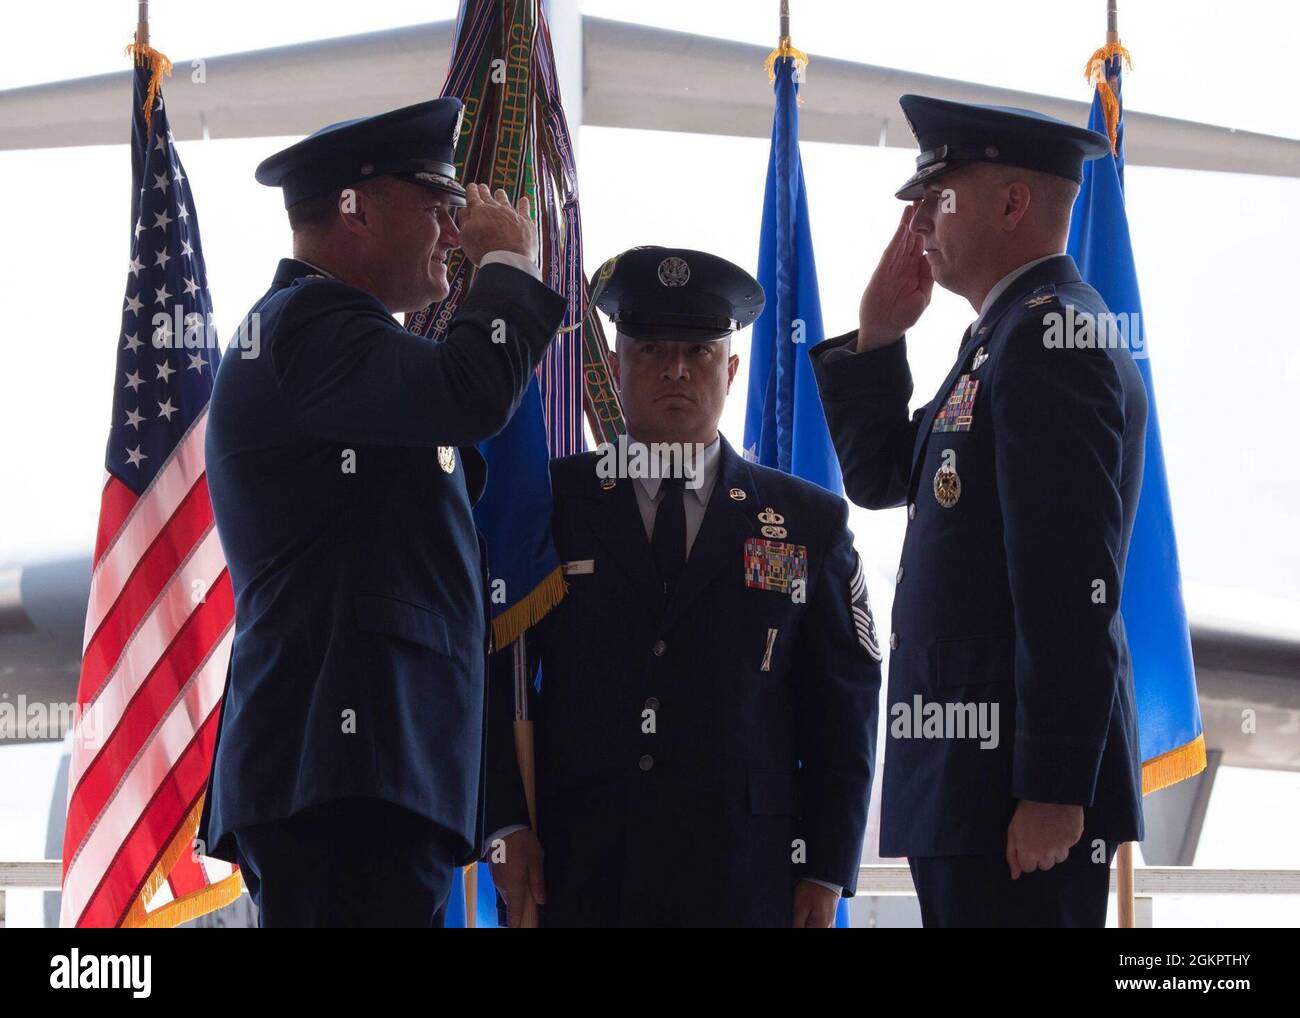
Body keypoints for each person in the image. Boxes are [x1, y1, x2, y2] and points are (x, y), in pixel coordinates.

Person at [196, 98, 568, 927]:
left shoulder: (341, 345)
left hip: (371, 777)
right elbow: (468, 392)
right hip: (344, 778)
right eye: (434, 203)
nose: (451, 227)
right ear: (356, 211)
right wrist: (507, 264)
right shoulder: (315, 328)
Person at [809, 95, 1147, 927]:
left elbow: (1071, 584)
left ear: (1011, 204)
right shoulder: (1001, 342)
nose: (919, 219)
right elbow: (885, 476)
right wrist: (878, 336)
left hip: (1012, 798)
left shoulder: (1050, 341)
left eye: (939, 196)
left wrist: (1054, 789)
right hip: (969, 785)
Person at [487, 246, 880, 927]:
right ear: (615, 368)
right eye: (650, 350)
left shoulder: (808, 522)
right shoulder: (550, 504)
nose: (675, 368)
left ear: (730, 371)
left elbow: (842, 706)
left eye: (698, 352)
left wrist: (823, 866)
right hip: (582, 871)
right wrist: (503, 825)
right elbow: (498, 675)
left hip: (745, 875)